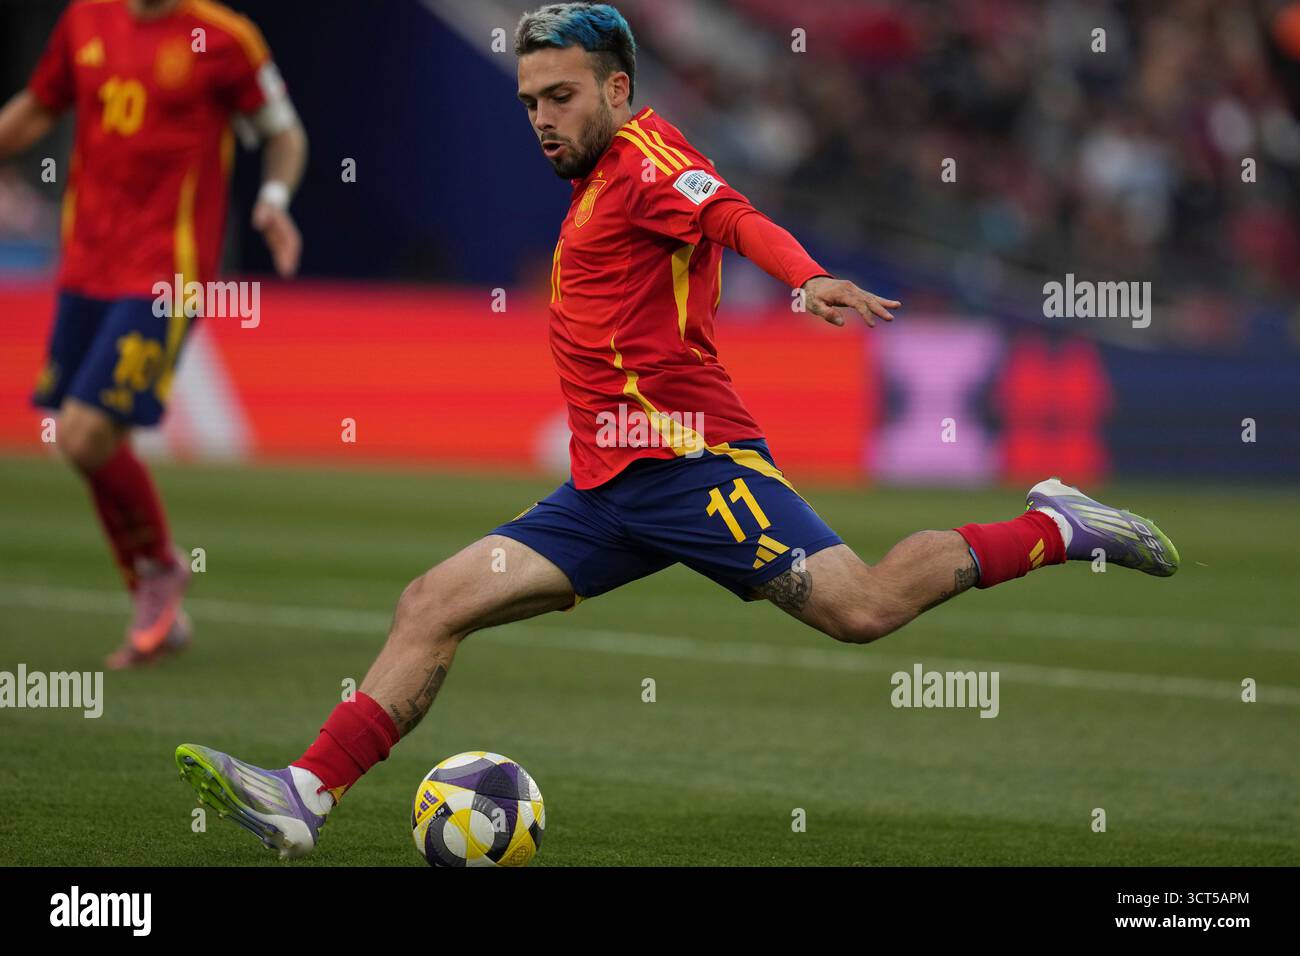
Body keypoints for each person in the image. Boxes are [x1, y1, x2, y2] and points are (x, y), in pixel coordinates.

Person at [174, 3, 1177, 860]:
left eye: (560, 97)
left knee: (863, 607)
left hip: (694, 465)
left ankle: (1056, 524)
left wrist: (807, 278)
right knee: (431, 601)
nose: (540, 118)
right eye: (528, 102)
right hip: (606, 488)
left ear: (616, 89)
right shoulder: (591, 188)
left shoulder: (653, 159)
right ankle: (305, 794)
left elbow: (734, 218)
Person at [0, 0, 307, 668]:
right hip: (85, 263)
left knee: (84, 432)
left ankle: (157, 572)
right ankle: (156, 585)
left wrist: (273, 200)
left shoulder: (224, 39)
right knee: (80, 441)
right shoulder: (86, 17)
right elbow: (37, 106)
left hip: (166, 272)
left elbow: (284, 135)